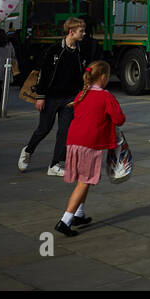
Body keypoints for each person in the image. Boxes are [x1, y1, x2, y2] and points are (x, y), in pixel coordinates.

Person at [53, 60, 125, 237]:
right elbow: (119, 119)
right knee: (84, 181)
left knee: (82, 180)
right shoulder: (106, 96)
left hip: (73, 140)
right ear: (103, 77)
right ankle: (65, 220)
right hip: (89, 143)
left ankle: (79, 214)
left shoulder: (81, 94)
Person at [20, 18, 87, 176]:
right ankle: (28, 151)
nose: (84, 33)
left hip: (69, 98)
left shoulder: (80, 51)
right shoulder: (54, 50)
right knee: (43, 129)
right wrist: (40, 96)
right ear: (71, 32)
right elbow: (43, 74)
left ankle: (56, 164)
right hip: (51, 97)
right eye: (81, 31)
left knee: (65, 132)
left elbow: (82, 74)